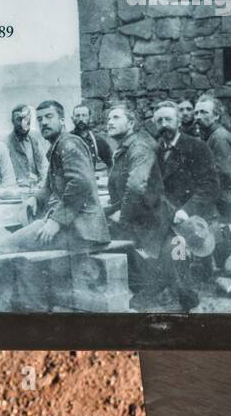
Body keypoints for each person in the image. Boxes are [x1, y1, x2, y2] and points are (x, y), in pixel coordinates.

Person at [0, 100, 110, 310]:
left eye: (49, 117)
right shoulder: (57, 146)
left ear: (62, 120)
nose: (43, 123)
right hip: (76, 228)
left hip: (80, 230)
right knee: (25, 256)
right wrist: (36, 199)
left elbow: (80, 183)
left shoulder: (70, 143)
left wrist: (56, 221)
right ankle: (35, 311)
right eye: (40, 119)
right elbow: (50, 186)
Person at [103, 102, 170, 303]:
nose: (109, 122)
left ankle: (151, 287)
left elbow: (135, 187)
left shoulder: (138, 148)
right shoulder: (125, 148)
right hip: (137, 215)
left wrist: (120, 215)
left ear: (131, 123)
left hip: (148, 219)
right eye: (108, 119)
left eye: (116, 118)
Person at [153, 101, 219, 219]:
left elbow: (209, 186)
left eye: (168, 119)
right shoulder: (156, 150)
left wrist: (187, 211)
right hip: (167, 216)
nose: (163, 124)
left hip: (196, 218)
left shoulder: (197, 146)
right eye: (159, 121)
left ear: (179, 122)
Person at [194, 95, 231, 224]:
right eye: (196, 113)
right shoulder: (209, 136)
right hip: (222, 197)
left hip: (228, 201)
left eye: (204, 112)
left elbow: (223, 173)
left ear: (216, 116)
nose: (198, 117)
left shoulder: (220, 137)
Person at [5, 103, 46, 186]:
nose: (23, 123)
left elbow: (44, 167)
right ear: (12, 121)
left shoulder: (35, 141)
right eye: (19, 119)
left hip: (37, 189)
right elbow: (6, 176)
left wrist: (43, 182)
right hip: (16, 190)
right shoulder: (5, 144)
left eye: (26, 119)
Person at [71, 102, 113, 170]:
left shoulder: (98, 141)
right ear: (72, 119)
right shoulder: (66, 139)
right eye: (77, 116)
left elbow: (111, 163)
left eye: (84, 115)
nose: (81, 119)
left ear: (90, 118)